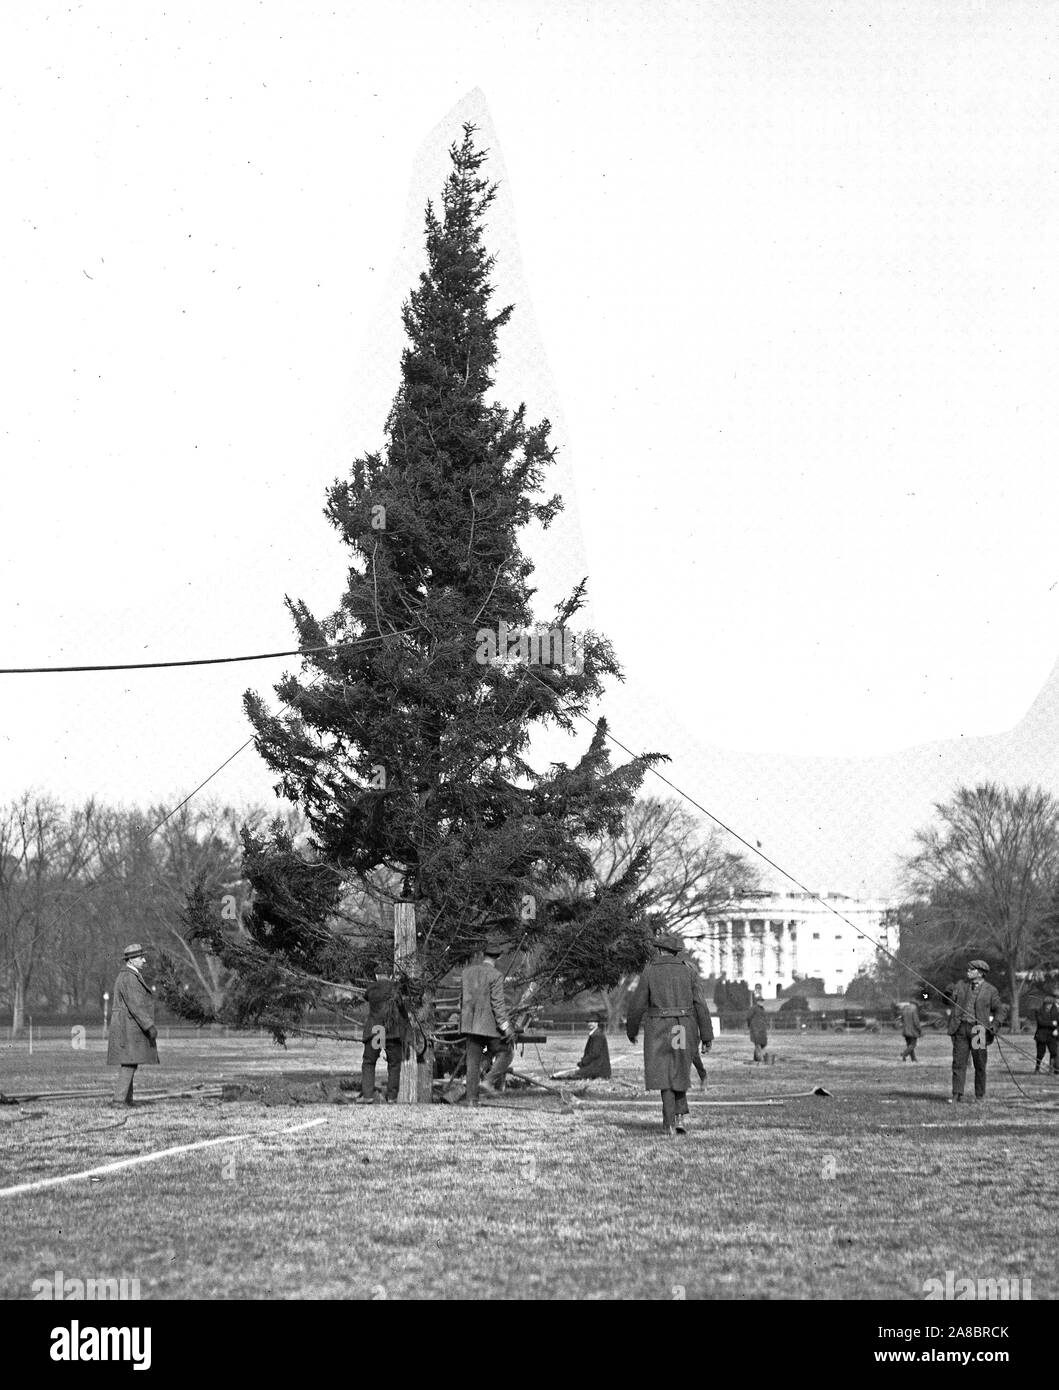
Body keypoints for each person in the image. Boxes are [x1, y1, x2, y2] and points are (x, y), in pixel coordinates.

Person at [626, 934, 713, 1136]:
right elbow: (701, 1004)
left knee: (664, 1073)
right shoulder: (689, 972)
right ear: (676, 952)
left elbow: (637, 1004)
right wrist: (706, 1036)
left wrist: (632, 1030)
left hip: (658, 1027)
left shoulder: (649, 972)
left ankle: (669, 1122)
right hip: (682, 1026)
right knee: (678, 1069)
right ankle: (679, 1116)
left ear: (659, 950)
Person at [460, 937, 515, 1105]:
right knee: (506, 1052)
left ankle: (471, 1100)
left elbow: (462, 999)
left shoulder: (467, 972)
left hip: (469, 1024)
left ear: (483, 955)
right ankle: (488, 1082)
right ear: (497, 957)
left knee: (473, 1062)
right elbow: (498, 1004)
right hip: (488, 1026)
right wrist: (506, 1027)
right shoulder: (496, 975)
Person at [946, 960, 1007, 1103]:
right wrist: (947, 993)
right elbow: (948, 1000)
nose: (967, 971)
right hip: (961, 1028)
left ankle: (979, 1095)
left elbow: (1000, 1009)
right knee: (958, 1063)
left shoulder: (991, 990)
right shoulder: (961, 985)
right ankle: (957, 1094)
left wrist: (995, 1024)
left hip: (979, 1030)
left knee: (979, 1064)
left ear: (980, 973)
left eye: (971, 969)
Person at [106, 944, 158, 1107]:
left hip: (127, 1026)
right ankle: (119, 1100)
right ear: (131, 960)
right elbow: (136, 1005)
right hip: (129, 1027)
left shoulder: (129, 975)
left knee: (130, 1061)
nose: (144, 959)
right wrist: (149, 1025)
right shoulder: (129, 977)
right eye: (140, 957)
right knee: (129, 1062)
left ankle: (126, 1099)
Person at [356, 970, 407, 1103]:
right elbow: (401, 1007)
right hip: (392, 1031)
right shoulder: (395, 989)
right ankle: (392, 1097)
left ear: (377, 975)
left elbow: (366, 996)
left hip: (376, 1031)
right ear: (390, 976)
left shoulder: (372, 988)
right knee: (394, 1064)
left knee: (369, 1062)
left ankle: (367, 1095)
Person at [551, 1013, 612, 1080]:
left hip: (598, 1068)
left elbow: (594, 1053)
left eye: (593, 1022)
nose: (590, 1024)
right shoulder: (595, 1034)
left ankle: (555, 1077)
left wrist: (583, 1063)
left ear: (597, 1023)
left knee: (572, 1076)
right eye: (589, 1022)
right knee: (572, 1074)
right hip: (595, 1066)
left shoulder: (598, 1035)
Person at [1033, 991, 1059, 1075]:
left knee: (1053, 1052)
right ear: (1044, 1004)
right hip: (1041, 1035)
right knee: (1040, 1053)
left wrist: (1057, 1030)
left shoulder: (1056, 1012)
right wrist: (1052, 1023)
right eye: (1047, 1004)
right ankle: (1037, 1068)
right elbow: (1040, 1022)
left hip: (1052, 1035)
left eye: (1050, 1004)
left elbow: (1058, 1022)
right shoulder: (1038, 1011)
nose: (1048, 1006)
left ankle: (1051, 1069)